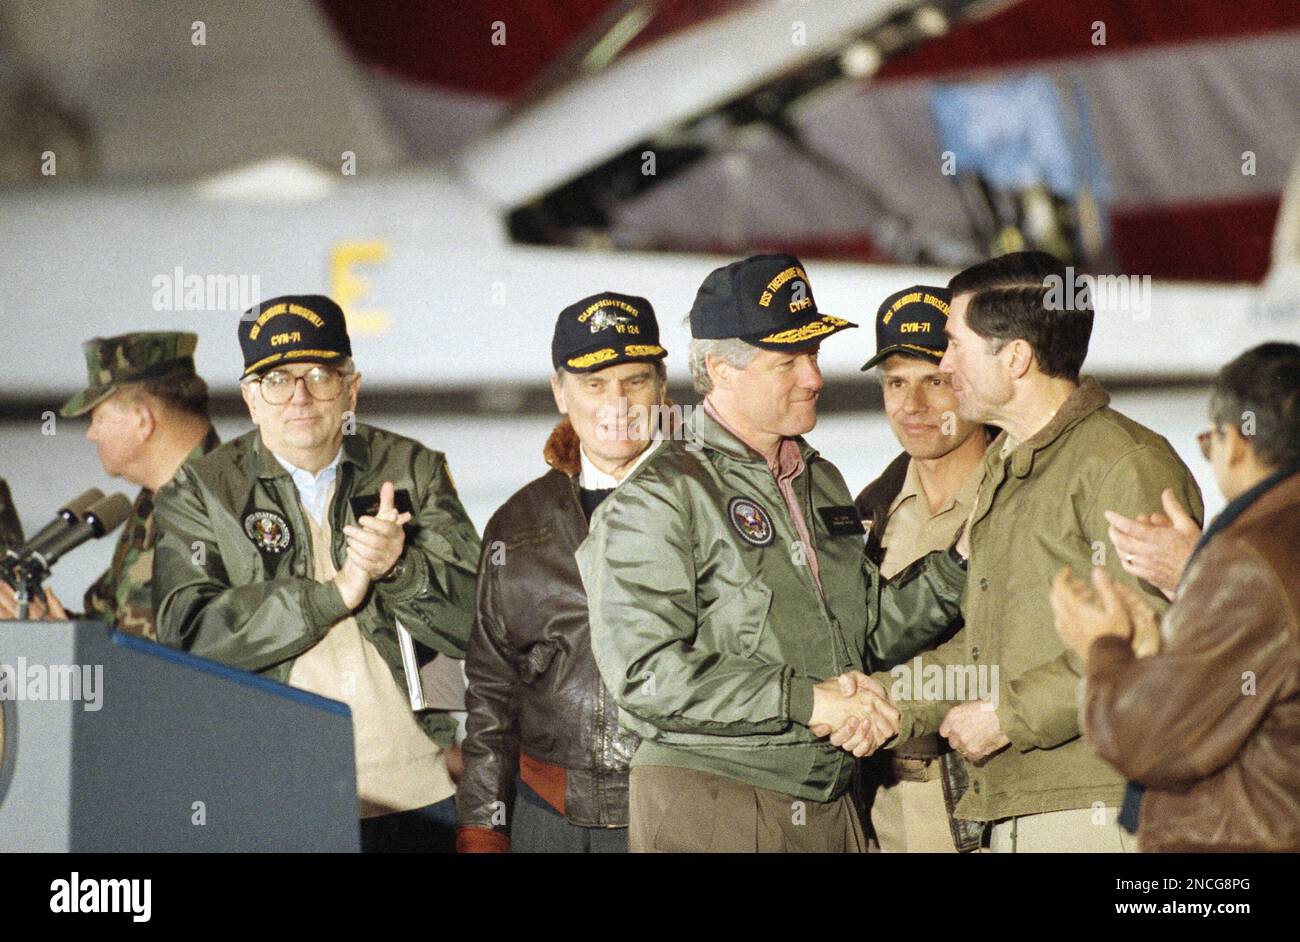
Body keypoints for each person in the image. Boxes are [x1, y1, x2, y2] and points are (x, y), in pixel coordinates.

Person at [577, 254, 968, 853]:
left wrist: (960, 567)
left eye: (813, 355)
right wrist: (809, 701)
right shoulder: (658, 498)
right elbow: (646, 674)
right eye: (788, 361)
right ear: (719, 371)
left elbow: (864, 630)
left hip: (829, 798)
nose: (814, 378)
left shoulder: (820, 480)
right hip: (715, 802)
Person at [863, 251, 1204, 853]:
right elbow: (984, 648)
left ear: (1015, 356)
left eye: (953, 345)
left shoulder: (1121, 463)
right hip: (1023, 804)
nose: (943, 364)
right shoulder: (1009, 466)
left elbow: (1144, 646)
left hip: (1095, 806)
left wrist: (1006, 718)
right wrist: (880, 700)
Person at [152, 295, 480, 852]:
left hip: (416, 791)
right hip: (270, 796)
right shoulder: (202, 490)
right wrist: (330, 597)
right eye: (276, 379)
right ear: (252, 398)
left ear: (351, 388)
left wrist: (400, 570)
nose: (299, 396)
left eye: (320, 375)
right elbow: (187, 635)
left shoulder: (413, 467)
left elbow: (476, 621)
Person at [1052, 341, 1300, 852]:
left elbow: (1147, 740)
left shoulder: (1249, 559)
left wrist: (1105, 646)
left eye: (1210, 443)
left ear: (1234, 441)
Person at [457, 292, 669, 853]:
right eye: (594, 384)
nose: (616, 402)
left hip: (676, 811)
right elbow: (491, 693)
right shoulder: (516, 523)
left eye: (634, 380)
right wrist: (484, 828)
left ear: (662, 387)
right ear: (560, 391)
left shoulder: (709, 503)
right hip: (546, 820)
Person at [855, 286, 992, 853]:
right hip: (885, 810)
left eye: (933, 380)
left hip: (986, 800)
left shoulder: (1015, 500)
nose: (912, 405)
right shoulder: (867, 514)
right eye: (895, 383)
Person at [0, 333, 218, 636]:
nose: (91, 434)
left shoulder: (228, 502)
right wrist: (44, 624)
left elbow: (209, 653)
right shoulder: (152, 504)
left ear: (142, 420)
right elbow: (115, 626)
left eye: (97, 418)